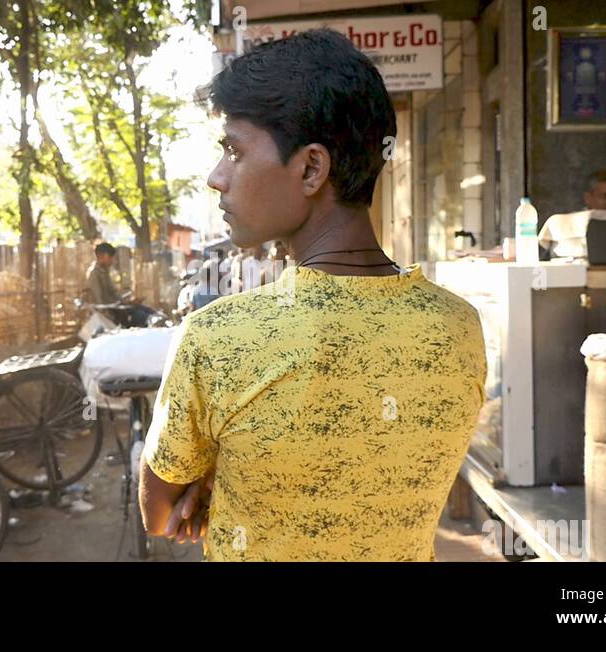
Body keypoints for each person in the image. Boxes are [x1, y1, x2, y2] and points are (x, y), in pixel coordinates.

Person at [138, 29, 487, 561]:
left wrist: (221, 473)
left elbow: (160, 514)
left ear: (311, 168)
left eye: (234, 150)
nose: (216, 177)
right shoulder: (459, 327)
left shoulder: (220, 339)